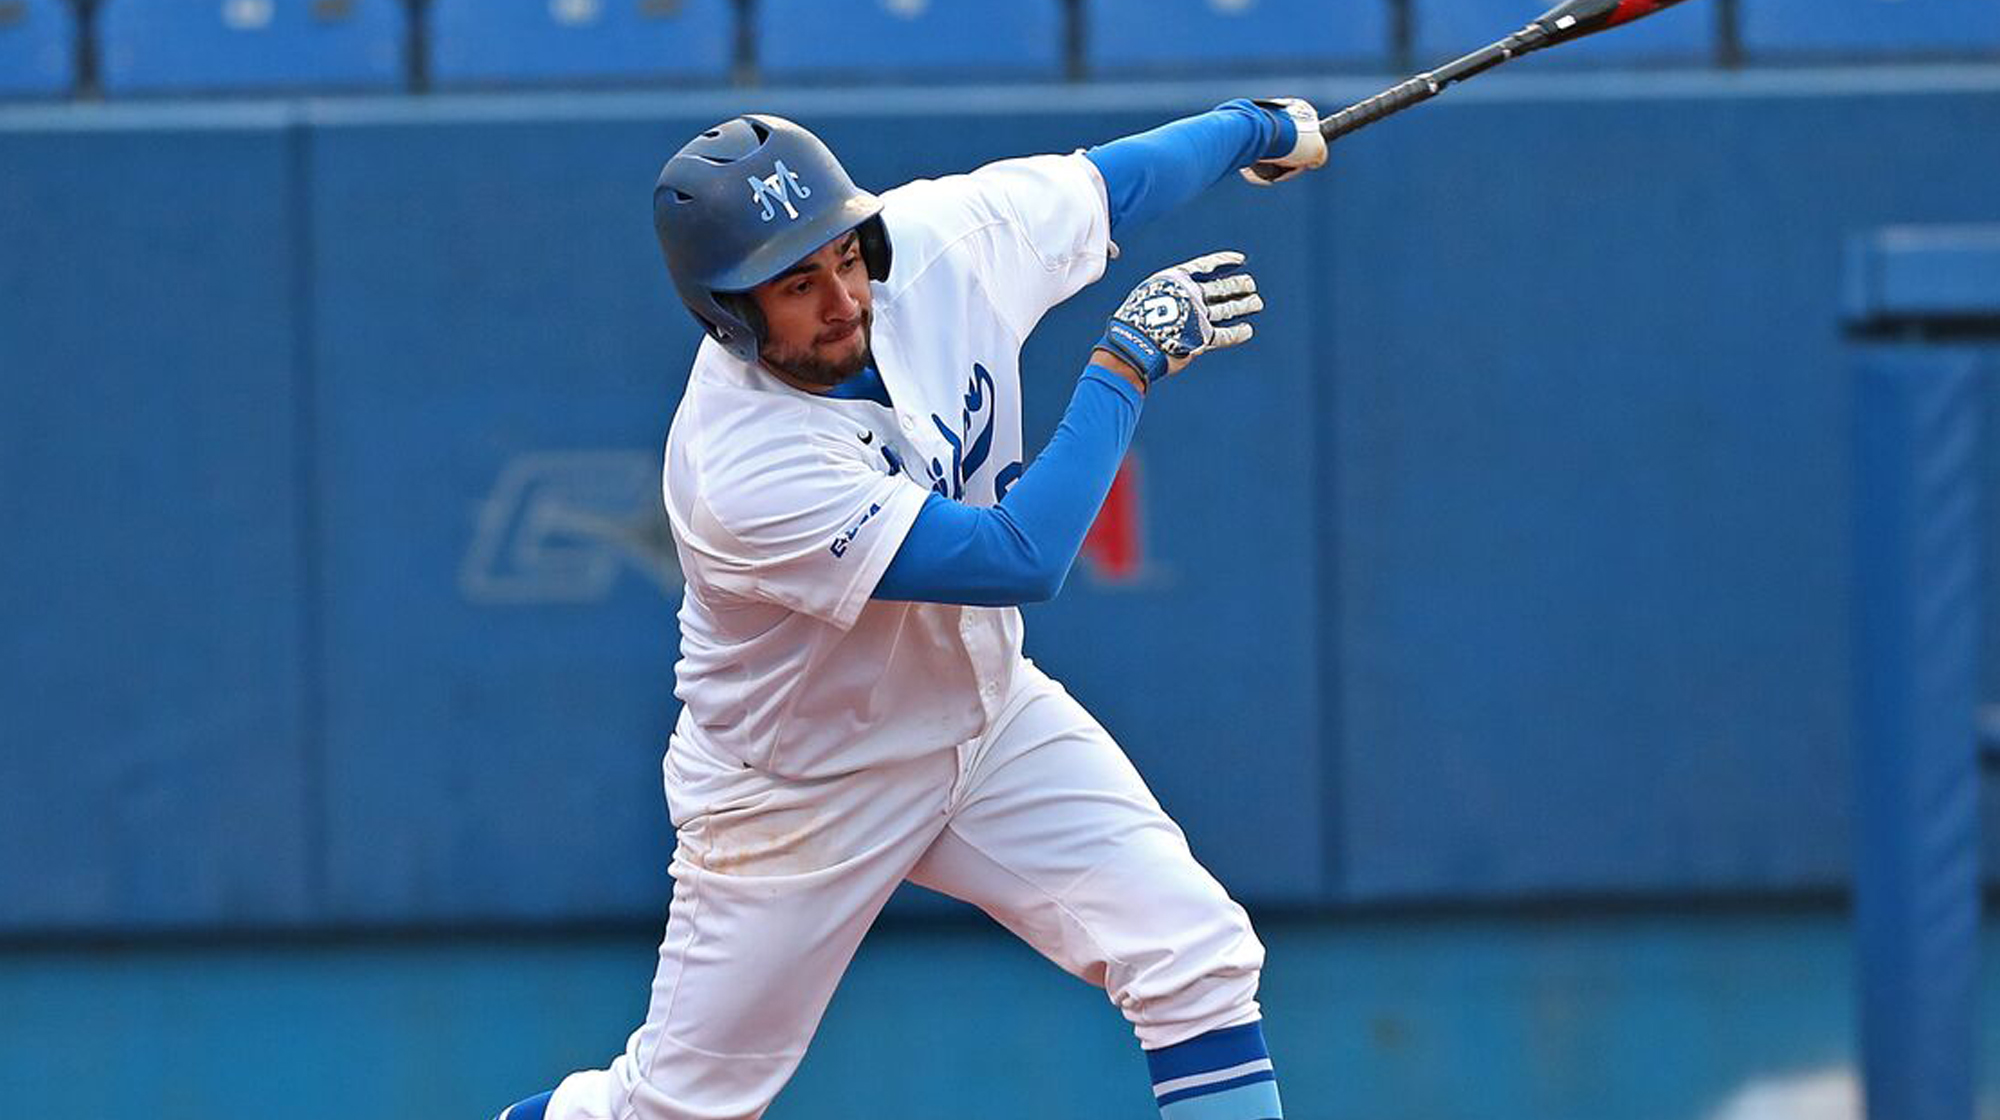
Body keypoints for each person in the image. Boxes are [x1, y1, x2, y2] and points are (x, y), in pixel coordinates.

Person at [493, 96, 1328, 1120]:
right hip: (800, 788)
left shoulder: (938, 246)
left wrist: (1254, 129)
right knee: (674, 1110)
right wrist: (1120, 365)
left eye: (845, 255)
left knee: (1192, 956)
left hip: (981, 719)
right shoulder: (739, 464)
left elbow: (1110, 183)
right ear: (725, 312)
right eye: (795, 283)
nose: (840, 297)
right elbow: (1021, 556)